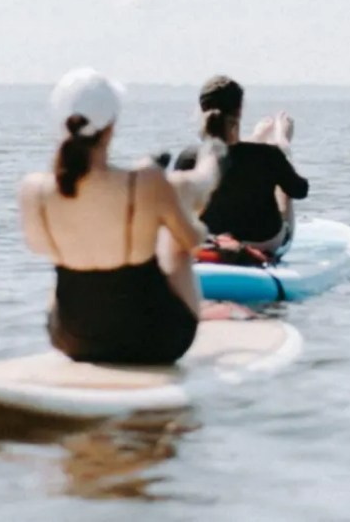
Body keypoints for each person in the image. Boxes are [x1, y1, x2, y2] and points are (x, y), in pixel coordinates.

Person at [19, 68, 226, 365]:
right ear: (111, 126)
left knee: (65, 256)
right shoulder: (147, 181)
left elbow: (39, 246)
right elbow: (193, 241)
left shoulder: (33, 189)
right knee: (176, 243)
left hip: (71, 338)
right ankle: (210, 165)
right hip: (157, 340)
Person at [173, 76, 307, 254]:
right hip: (262, 242)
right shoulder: (269, 155)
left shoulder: (188, 157)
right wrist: (283, 143)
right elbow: (299, 190)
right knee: (284, 186)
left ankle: (257, 136)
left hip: (211, 241)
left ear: (202, 109)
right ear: (239, 110)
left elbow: (231, 157)